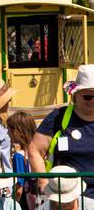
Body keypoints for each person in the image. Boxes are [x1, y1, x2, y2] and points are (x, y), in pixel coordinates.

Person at [30, 65, 94, 197]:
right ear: (75, 95)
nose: (92, 101)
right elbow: (34, 150)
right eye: (88, 97)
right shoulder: (58, 117)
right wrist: (43, 182)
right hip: (65, 197)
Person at [5, 110, 37, 210]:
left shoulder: (19, 156)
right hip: (43, 199)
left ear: (16, 132)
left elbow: (19, 189)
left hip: (27, 203)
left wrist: (12, 206)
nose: (7, 133)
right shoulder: (40, 153)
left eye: (8, 130)